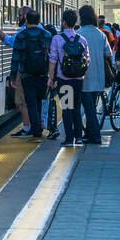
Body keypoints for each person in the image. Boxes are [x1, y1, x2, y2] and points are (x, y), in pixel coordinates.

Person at [47, 9, 89, 147]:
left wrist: (50, 78)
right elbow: (87, 60)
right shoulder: (82, 39)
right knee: (76, 108)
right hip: (78, 80)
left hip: (64, 79)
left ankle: (69, 139)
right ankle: (79, 137)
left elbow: (53, 60)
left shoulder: (57, 39)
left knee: (66, 108)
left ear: (64, 22)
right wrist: (82, 74)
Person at [10, 8, 52, 138]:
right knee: (41, 101)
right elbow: (52, 56)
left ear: (26, 21)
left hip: (27, 75)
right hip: (43, 75)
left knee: (31, 102)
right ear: (39, 21)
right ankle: (40, 126)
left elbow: (15, 57)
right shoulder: (47, 35)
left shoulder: (21, 36)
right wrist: (53, 75)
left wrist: (13, 76)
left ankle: (36, 130)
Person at [77, 4, 114, 144]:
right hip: (99, 77)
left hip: (85, 77)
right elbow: (108, 54)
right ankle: (88, 134)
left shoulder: (79, 33)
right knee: (90, 106)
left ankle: (95, 136)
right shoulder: (101, 34)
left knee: (89, 109)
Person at [0, 6, 31, 136]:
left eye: (20, 15)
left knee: (22, 102)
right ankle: (37, 127)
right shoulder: (43, 31)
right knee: (35, 101)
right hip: (40, 73)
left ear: (26, 16)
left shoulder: (23, 32)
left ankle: (27, 129)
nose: (18, 18)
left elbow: (9, 42)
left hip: (25, 72)